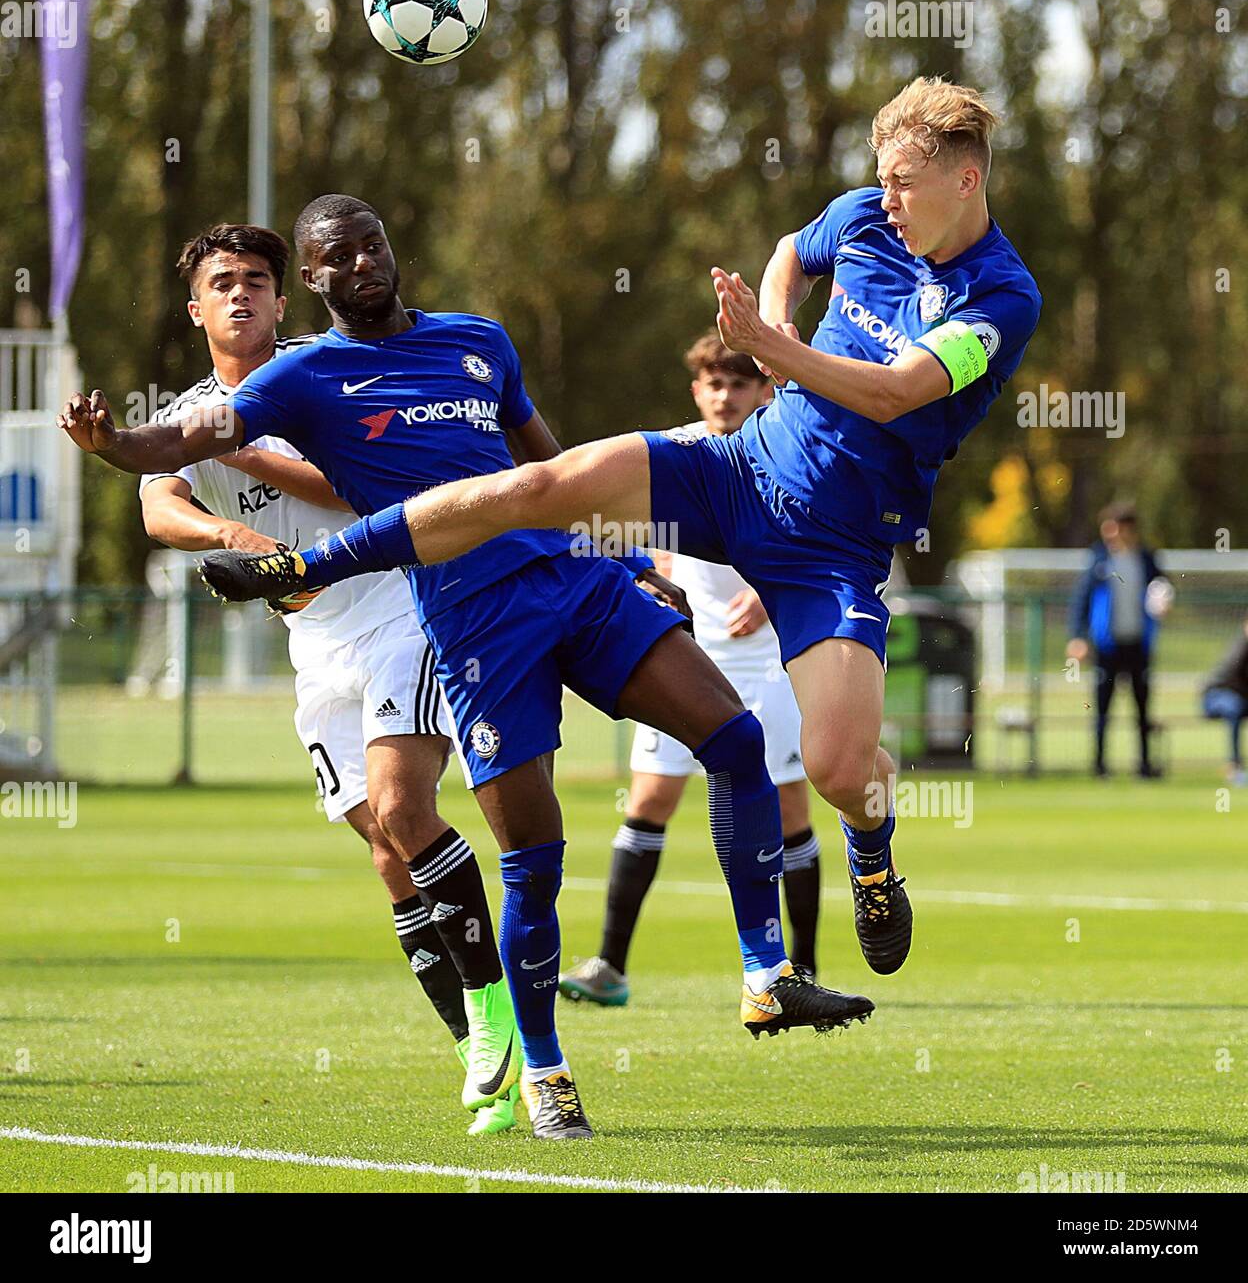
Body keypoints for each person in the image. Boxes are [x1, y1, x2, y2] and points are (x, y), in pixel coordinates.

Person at [185, 77, 1044, 983]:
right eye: (882, 177)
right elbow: (795, 248)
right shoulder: (866, 215)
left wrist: (768, 345)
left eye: (905, 181)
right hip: (737, 473)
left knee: (840, 771)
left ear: (968, 179)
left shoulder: (1001, 295)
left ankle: (873, 854)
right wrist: (780, 311)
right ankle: (306, 561)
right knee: (540, 484)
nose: (887, 198)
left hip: (834, 546)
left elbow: (893, 391)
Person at [59, 197, 876, 1141]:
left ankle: (767, 976)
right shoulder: (303, 378)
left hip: (572, 580)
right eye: (338, 257)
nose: (362, 262)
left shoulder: (478, 341)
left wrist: (630, 557)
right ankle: (546, 1073)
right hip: (473, 621)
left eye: (372, 244)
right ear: (315, 286)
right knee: (533, 860)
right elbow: (181, 444)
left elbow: (552, 466)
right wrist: (115, 445)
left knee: (733, 738)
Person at [133, 223, 516, 1134]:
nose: (241, 294)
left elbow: (357, 489)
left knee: (404, 810)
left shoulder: (325, 372)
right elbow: (157, 505)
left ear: (283, 296)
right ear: (197, 309)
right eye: (222, 283)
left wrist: (236, 450)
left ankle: (500, 1011)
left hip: (394, 609)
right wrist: (227, 532)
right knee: (386, 853)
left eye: (258, 280)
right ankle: (472, 1044)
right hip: (316, 647)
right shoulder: (190, 409)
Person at [562, 333, 821, 1007]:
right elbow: (610, 519)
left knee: (790, 807)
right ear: (696, 391)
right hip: (690, 656)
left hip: (772, 661)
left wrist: (769, 594)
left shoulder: (787, 451)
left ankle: (803, 970)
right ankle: (610, 967)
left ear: (765, 391)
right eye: (713, 383)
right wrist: (650, 563)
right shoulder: (673, 451)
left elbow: (823, 541)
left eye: (738, 384)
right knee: (649, 802)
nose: (725, 395)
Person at [1066, 502, 1172, 778]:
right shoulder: (1099, 560)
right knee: (1102, 707)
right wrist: (1078, 636)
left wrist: (1165, 602)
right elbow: (1082, 598)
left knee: (1142, 707)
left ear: (1128, 529)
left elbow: (1162, 589)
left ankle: (1144, 766)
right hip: (1107, 645)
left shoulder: (1146, 559)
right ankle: (1100, 766)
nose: (1110, 535)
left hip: (1138, 643)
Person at [1200, 615, 1248, 785]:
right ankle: (1234, 766)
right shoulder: (1240, 647)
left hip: (1239, 697)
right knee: (1233, 707)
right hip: (1215, 696)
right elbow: (1233, 679)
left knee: (1236, 704)